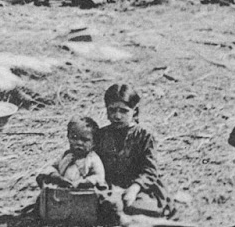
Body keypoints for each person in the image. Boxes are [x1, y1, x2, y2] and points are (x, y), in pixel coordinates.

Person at [93, 83, 173, 219]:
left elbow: (150, 170)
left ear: (134, 111)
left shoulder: (144, 136)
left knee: (138, 206)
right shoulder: (101, 135)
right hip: (110, 188)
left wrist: (134, 188)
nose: (117, 116)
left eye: (123, 111)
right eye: (112, 110)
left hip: (139, 188)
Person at [37, 117, 107, 189]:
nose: (79, 143)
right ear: (68, 137)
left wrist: (85, 182)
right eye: (74, 138)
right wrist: (54, 175)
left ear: (94, 143)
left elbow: (99, 176)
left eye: (85, 140)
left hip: (85, 194)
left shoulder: (93, 158)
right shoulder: (66, 155)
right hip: (63, 192)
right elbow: (53, 167)